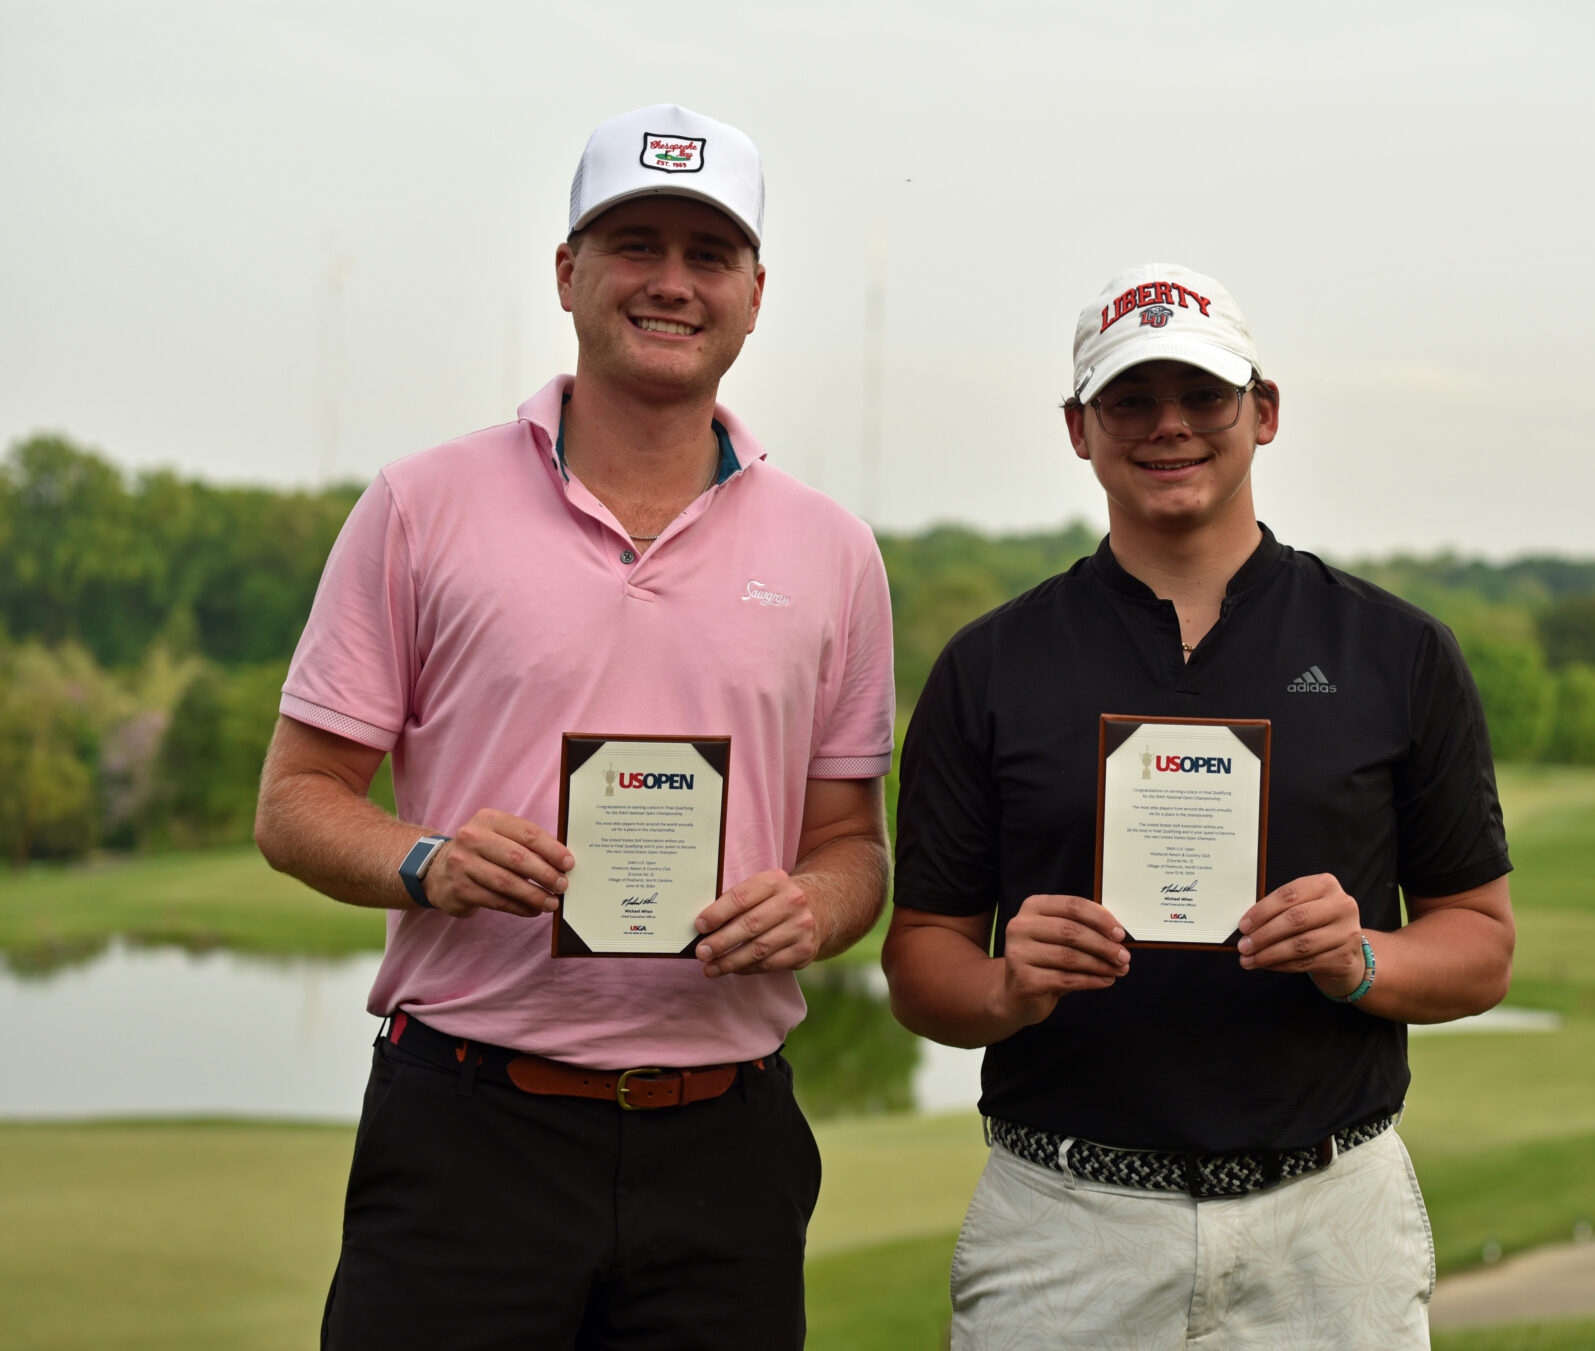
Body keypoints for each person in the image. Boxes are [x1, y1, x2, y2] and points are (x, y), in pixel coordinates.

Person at [254, 103, 895, 1351]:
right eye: (633, 244)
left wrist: (813, 910)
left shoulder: (833, 551)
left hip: (726, 1135)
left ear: (755, 292)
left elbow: (850, 845)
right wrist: (426, 862)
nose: (670, 281)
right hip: (468, 1122)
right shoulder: (418, 504)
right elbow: (294, 800)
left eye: (707, 254)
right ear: (567, 274)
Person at [882, 263, 1515, 1349]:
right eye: (1130, 398)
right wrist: (1003, 984)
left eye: (1202, 396)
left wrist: (1357, 956)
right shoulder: (990, 664)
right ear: (1079, 428)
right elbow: (919, 960)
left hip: (1329, 1218)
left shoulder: (1394, 651)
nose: (1167, 425)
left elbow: (1480, 944)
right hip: (1065, 1216)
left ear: (1260, 412)